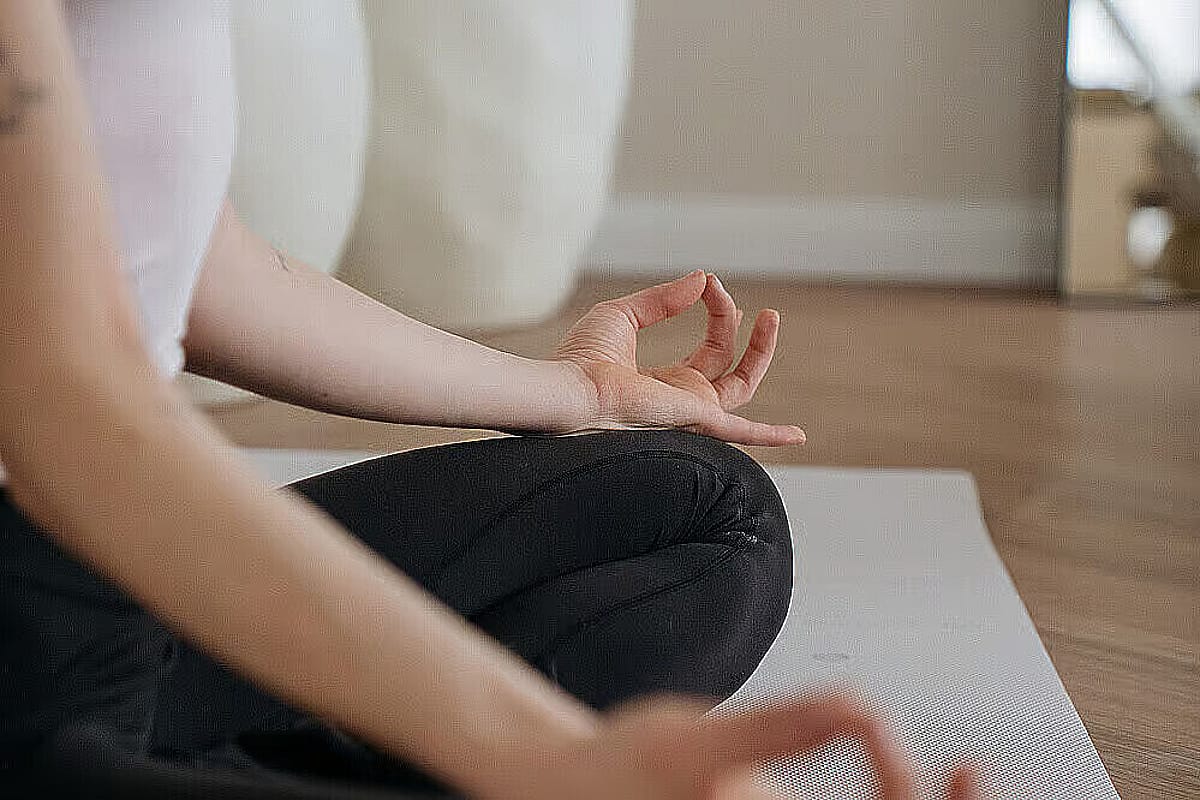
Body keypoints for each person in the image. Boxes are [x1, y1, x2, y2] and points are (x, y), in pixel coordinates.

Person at [0, 2, 978, 798]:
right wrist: (550, 754)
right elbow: (70, 401)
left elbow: (210, 272)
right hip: (31, 628)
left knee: (714, 513)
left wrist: (577, 393)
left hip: (122, 585)